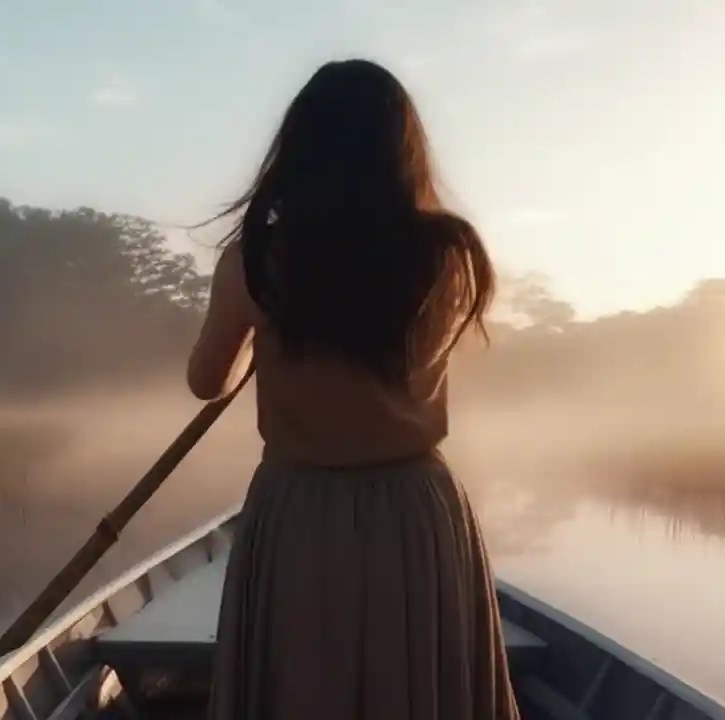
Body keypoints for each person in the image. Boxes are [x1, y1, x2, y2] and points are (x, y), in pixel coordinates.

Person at [186, 58, 520, 720]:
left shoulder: (256, 260)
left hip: (302, 514)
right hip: (415, 512)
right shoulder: (448, 256)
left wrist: (258, 328)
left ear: (298, 151)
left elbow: (206, 382)